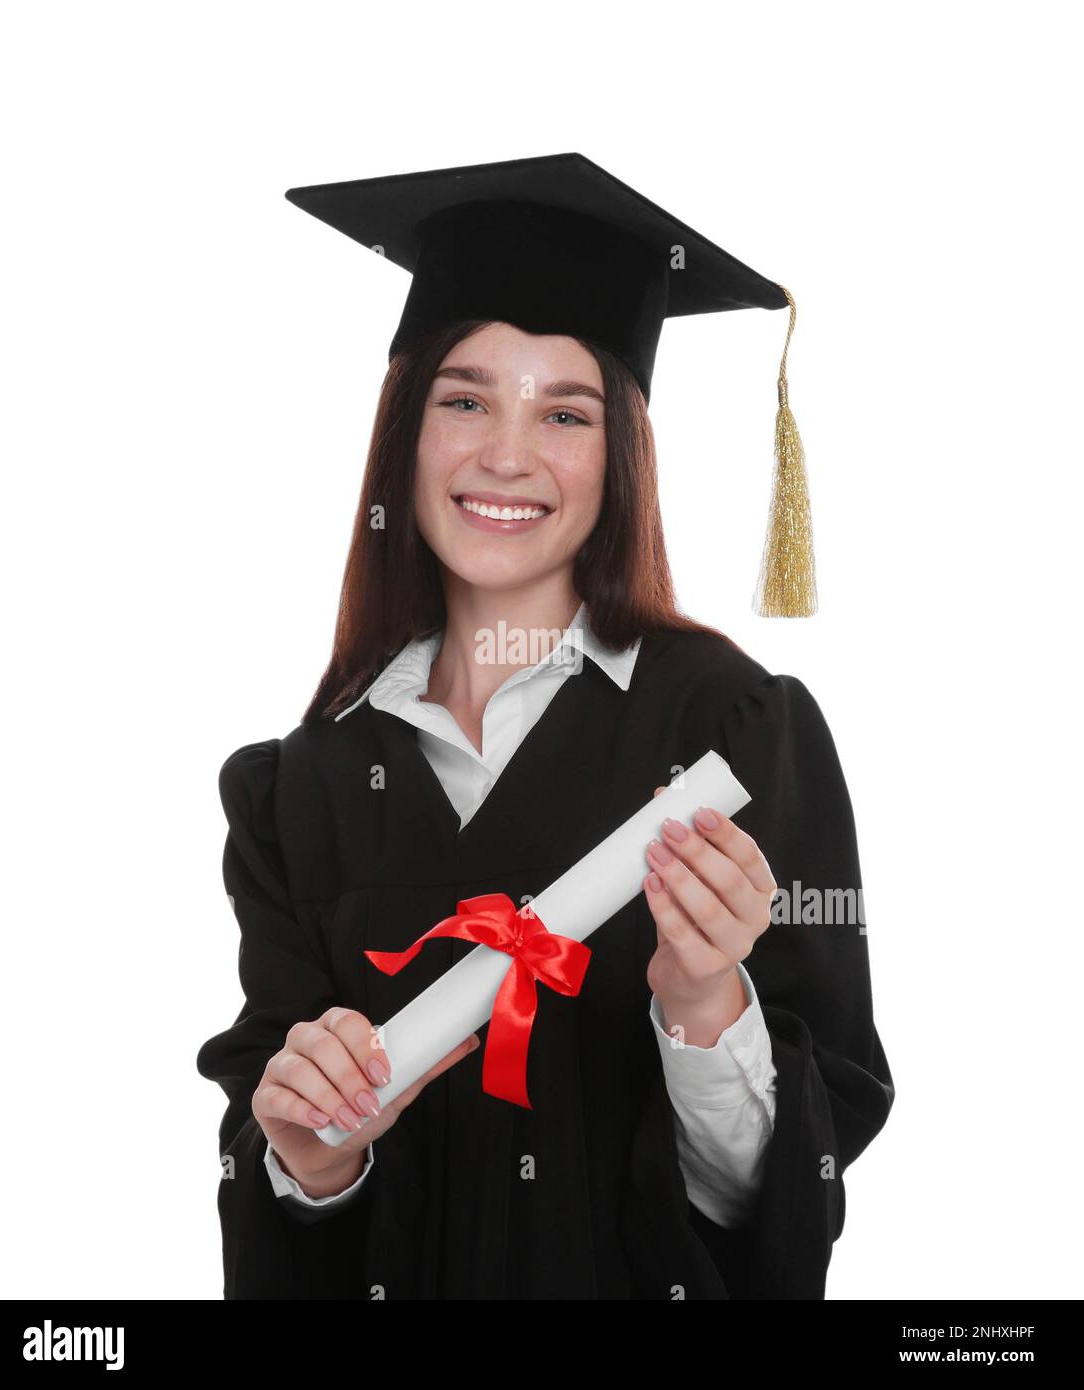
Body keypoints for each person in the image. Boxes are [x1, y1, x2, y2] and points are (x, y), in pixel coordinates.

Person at [196, 154, 895, 1300]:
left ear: (618, 453)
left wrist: (704, 1000)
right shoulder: (299, 789)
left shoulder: (732, 734)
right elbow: (284, 1202)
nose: (506, 456)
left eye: (563, 411)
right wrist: (311, 1156)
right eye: (464, 398)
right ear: (405, 435)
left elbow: (790, 1193)